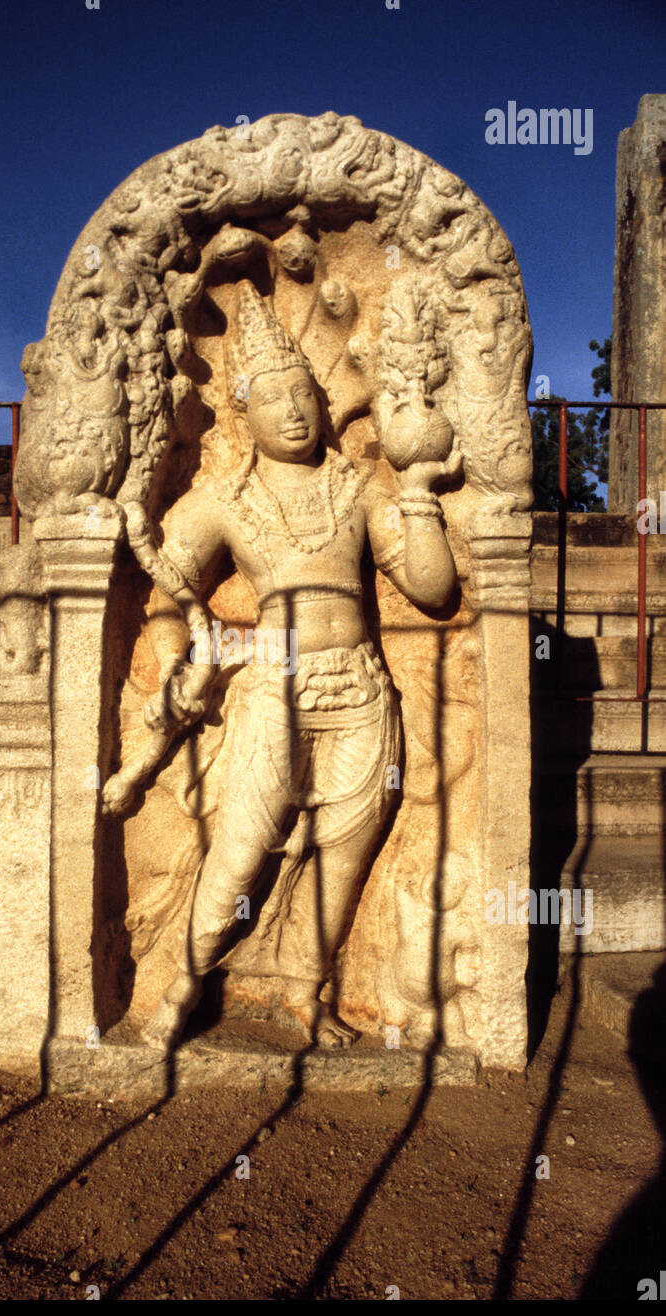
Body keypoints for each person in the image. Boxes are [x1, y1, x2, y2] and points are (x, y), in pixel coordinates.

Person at [142, 280, 457, 1049]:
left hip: (360, 691)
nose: (292, 411)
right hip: (274, 694)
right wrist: (185, 658)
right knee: (239, 854)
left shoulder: (359, 487)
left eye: (302, 395)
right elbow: (164, 590)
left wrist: (417, 491)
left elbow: (432, 590)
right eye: (272, 399)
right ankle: (180, 987)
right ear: (242, 416)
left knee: (343, 856)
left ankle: (302, 991)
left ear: (320, 402)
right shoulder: (222, 500)